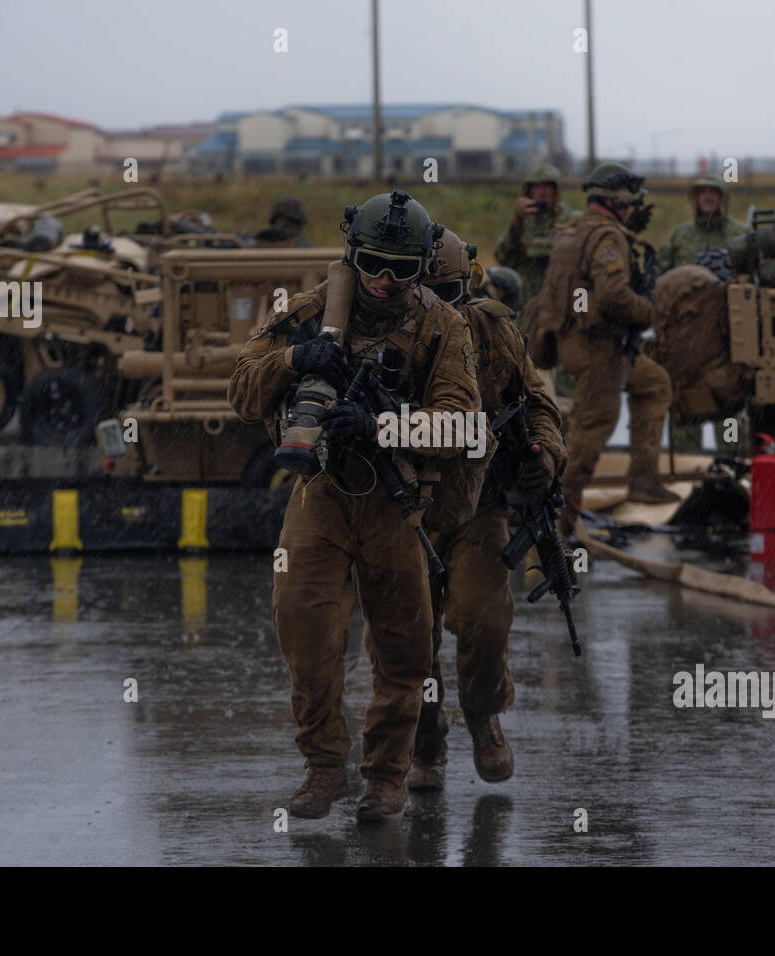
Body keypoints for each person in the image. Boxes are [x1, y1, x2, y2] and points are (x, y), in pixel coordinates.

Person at [229, 190, 479, 823]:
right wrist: (293, 360)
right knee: (303, 625)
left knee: (404, 648)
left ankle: (387, 778)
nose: (384, 281)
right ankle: (321, 769)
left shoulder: (443, 327)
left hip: (397, 501)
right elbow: (240, 389)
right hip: (321, 491)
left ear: (422, 268)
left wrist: (383, 425)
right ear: (352, 255)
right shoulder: (315, 308)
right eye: (372, 263)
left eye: (401, 269)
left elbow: (463, 426)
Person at [406, 230, 566, 790]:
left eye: (447, 295)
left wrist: (545, 455)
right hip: (402, 508)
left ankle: (484, 716)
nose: (436, 308)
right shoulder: (378, 336)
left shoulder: (492, 328)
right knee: (409, 635)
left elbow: (536, 399)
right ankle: (425, 740)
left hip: (478, 501)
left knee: (481, 619)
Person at [532, 162, 679, 533]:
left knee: (654, 383)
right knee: (594, 426)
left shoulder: (574, 231)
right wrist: (651, 313)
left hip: (574, 339)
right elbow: (613, 296)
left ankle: (643, 480)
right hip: (596, 344)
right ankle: (559, 522)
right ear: (614, 202)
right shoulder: (607, 237)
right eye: (627, 205)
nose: (630, 212)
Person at [494, 164, 579, 304]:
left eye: (547, 186)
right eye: (536, 186)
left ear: (556, 190)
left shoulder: (571, 219)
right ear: (529, 191)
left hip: (564, 299)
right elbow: (503, 258)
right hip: (530, 301)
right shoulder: (524, 222)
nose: (542, 192)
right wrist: (517, 223)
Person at [658, 174, 746, 273]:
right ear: (696, 198)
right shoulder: (679, 234)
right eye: (703, 192)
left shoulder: (741, 234)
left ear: (722, 197)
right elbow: (661, 270)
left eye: (712, 192)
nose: (707, 197)